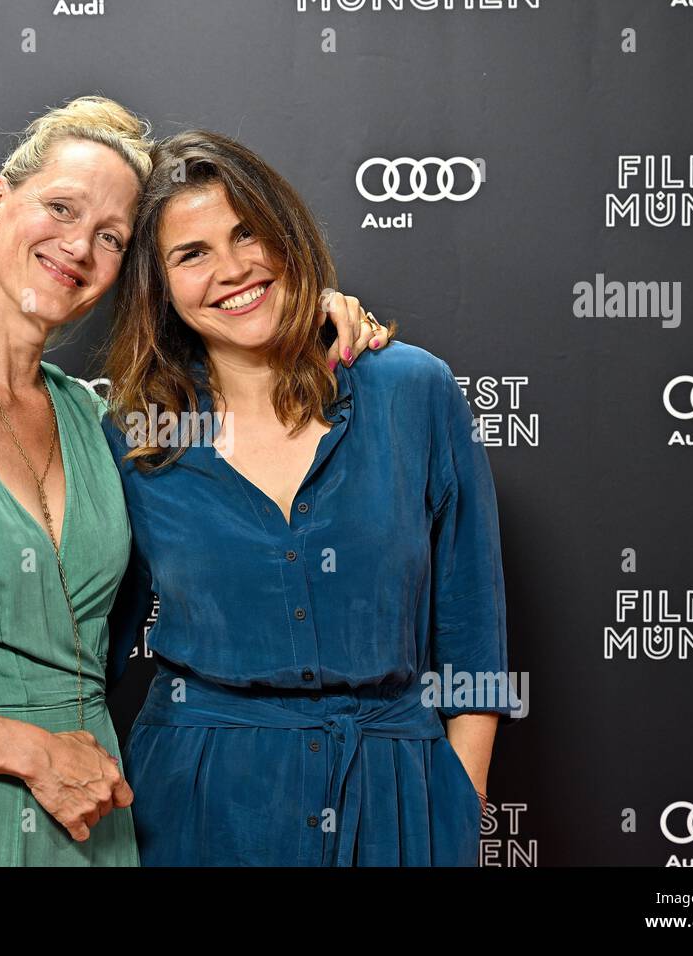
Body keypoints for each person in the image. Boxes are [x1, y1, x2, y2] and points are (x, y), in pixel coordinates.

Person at [0, 96, 389, 865]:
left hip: (84, 820)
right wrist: (33, 753)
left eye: (111, 237)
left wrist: (314, 314)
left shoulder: (94, 419)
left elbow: (237, 381)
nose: (78, 247)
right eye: (60, 208)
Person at [101, 129, 514, 866]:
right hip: (198, 803)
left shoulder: (412, 391)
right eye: (191, 255)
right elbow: (90, 650)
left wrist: (458, 801)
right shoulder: (138, 433)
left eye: (248, 233)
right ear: (159, 288)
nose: (232, 269)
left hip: (395, 795)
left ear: (286, 236)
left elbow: (471, 625)